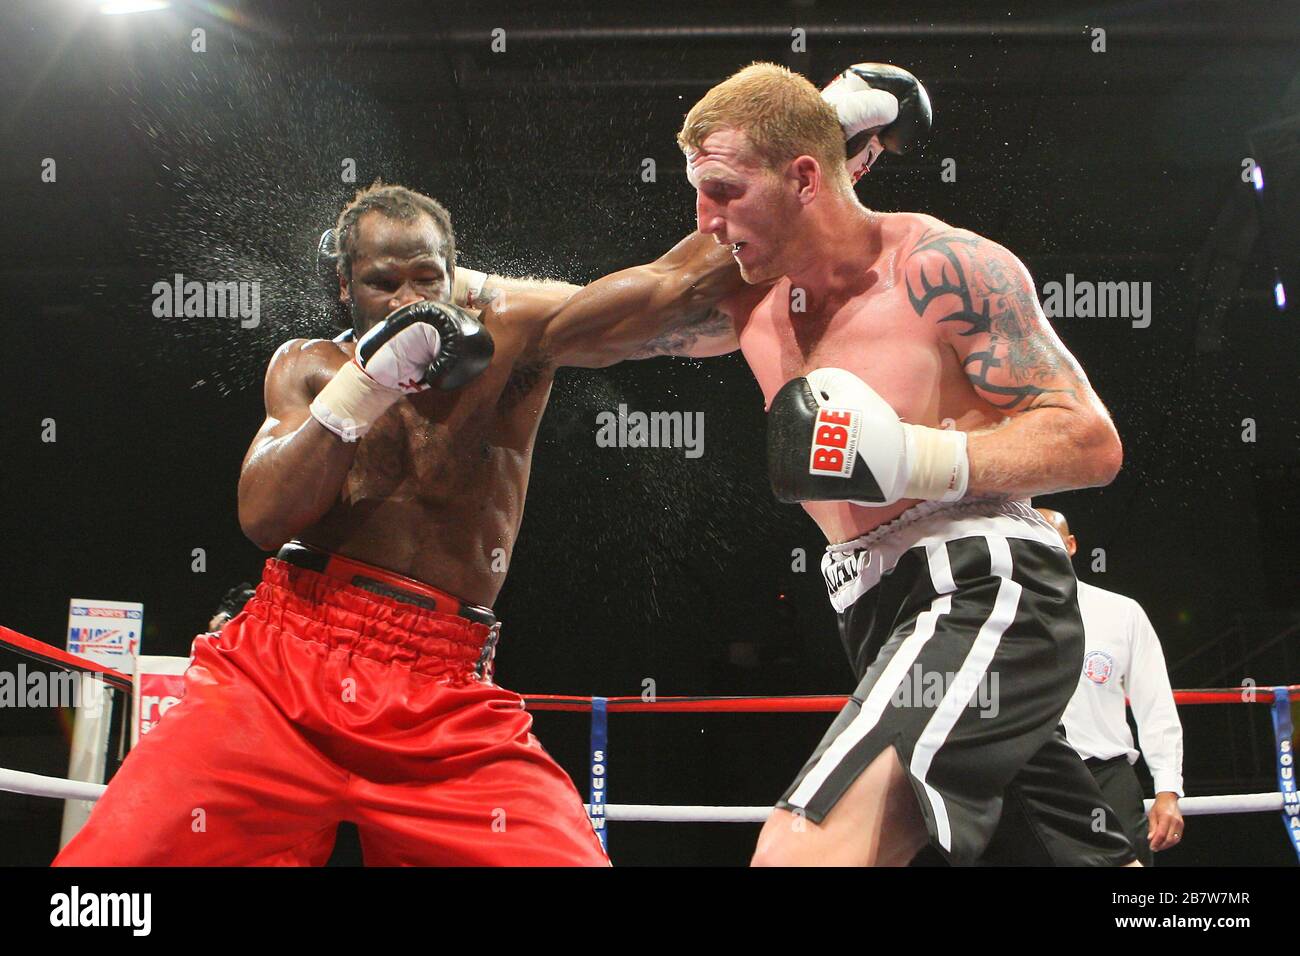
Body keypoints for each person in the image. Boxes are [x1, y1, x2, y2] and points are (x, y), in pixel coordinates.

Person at [54, 181, 744, 866]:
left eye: (427, 277)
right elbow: (264, 518)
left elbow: (674, 290)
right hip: (280, 676)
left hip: (442, 696)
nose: (409, 300)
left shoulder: (517, 338)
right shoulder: (312, 367)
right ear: (343, 289)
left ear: (456, 274)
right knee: (109, 877)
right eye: (383, 283)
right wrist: (368, 385)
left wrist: (800, 166)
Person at [650, 61, 1138, 865]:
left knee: (801, 853)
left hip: (979, 581)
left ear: (805, 176)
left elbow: (1089, 441)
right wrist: (473, 292)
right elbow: (602, 318)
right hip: (877, 610)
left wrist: (912, 457)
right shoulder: (748, 302)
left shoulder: (941, 267)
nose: (706, 219)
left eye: (726, 191)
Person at [1036, 507, 1186, 866]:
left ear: (1070, 545)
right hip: (1029, 779)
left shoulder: (1120, 612)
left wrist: (1168, 789)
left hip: (1106, 778)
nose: (1038, 546)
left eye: (1048, 537)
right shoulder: (993, 614)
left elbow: (1155, 705)